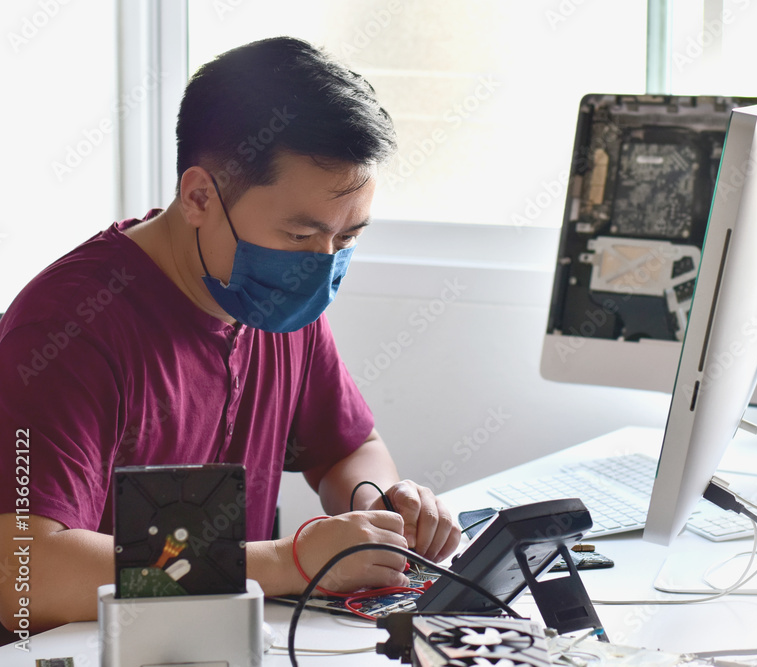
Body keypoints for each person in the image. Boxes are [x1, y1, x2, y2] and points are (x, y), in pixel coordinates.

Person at [0, 36, 460, 635]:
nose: (320, 266)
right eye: (300, 236)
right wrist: (288, 562)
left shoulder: (276, 303)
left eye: (346, 240)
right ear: (198, 198)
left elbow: (347, 448)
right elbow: (23, 577)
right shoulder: (68, 330)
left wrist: (377, 513)